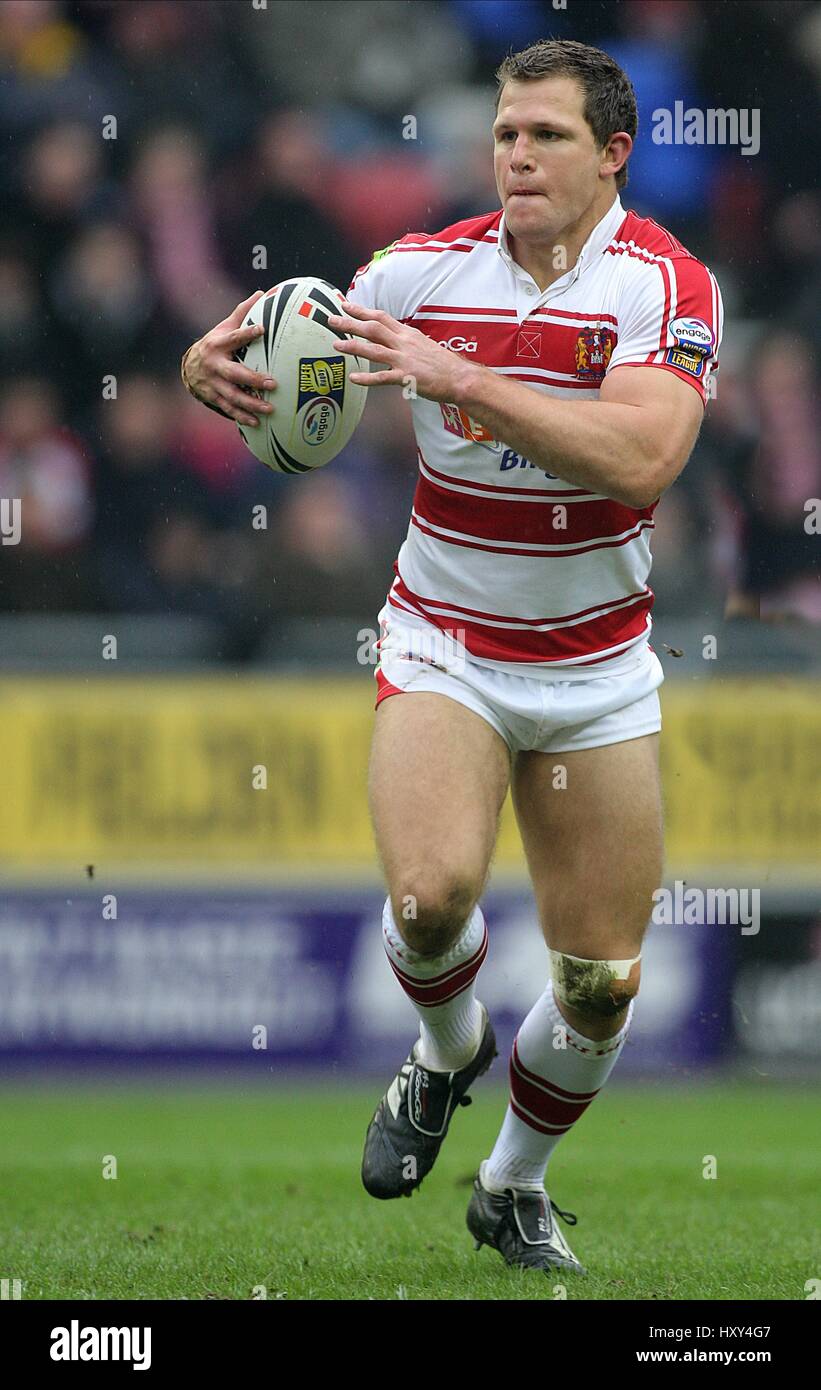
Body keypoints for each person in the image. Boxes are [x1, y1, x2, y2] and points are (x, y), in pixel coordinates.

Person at [181, 38, 723, 1277]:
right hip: (447, 642)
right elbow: (301, 329)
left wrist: (455, 374)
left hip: (596, 667)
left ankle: (511, 1185)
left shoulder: (664, 286)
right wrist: (211, 359)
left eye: (547, 137)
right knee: (428, 898)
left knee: (599, 983)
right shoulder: (420, 268)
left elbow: (642, 461)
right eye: (504, 135)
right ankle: (443, 1055)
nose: (517, 156)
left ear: (613, 154)